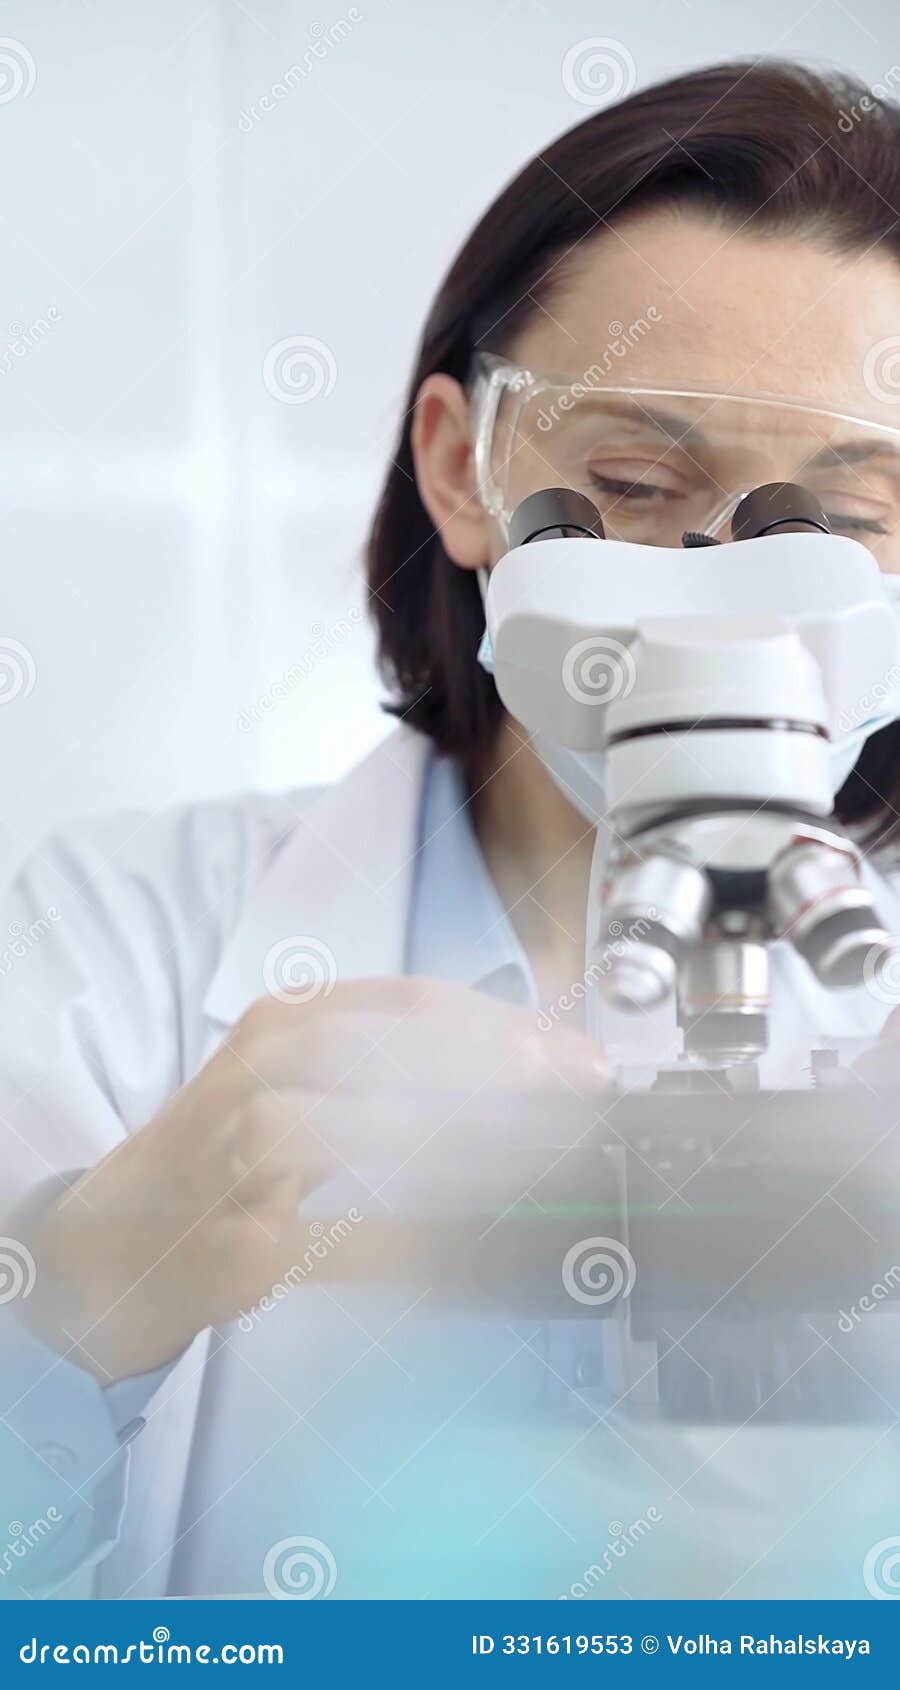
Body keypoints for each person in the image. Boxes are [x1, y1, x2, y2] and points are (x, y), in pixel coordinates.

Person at [3, 57, 900, 1602]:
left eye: (850, 518)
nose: (735, 586)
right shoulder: (115, 943)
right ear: (460, 467)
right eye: (632, 480)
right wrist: (78, 1302)